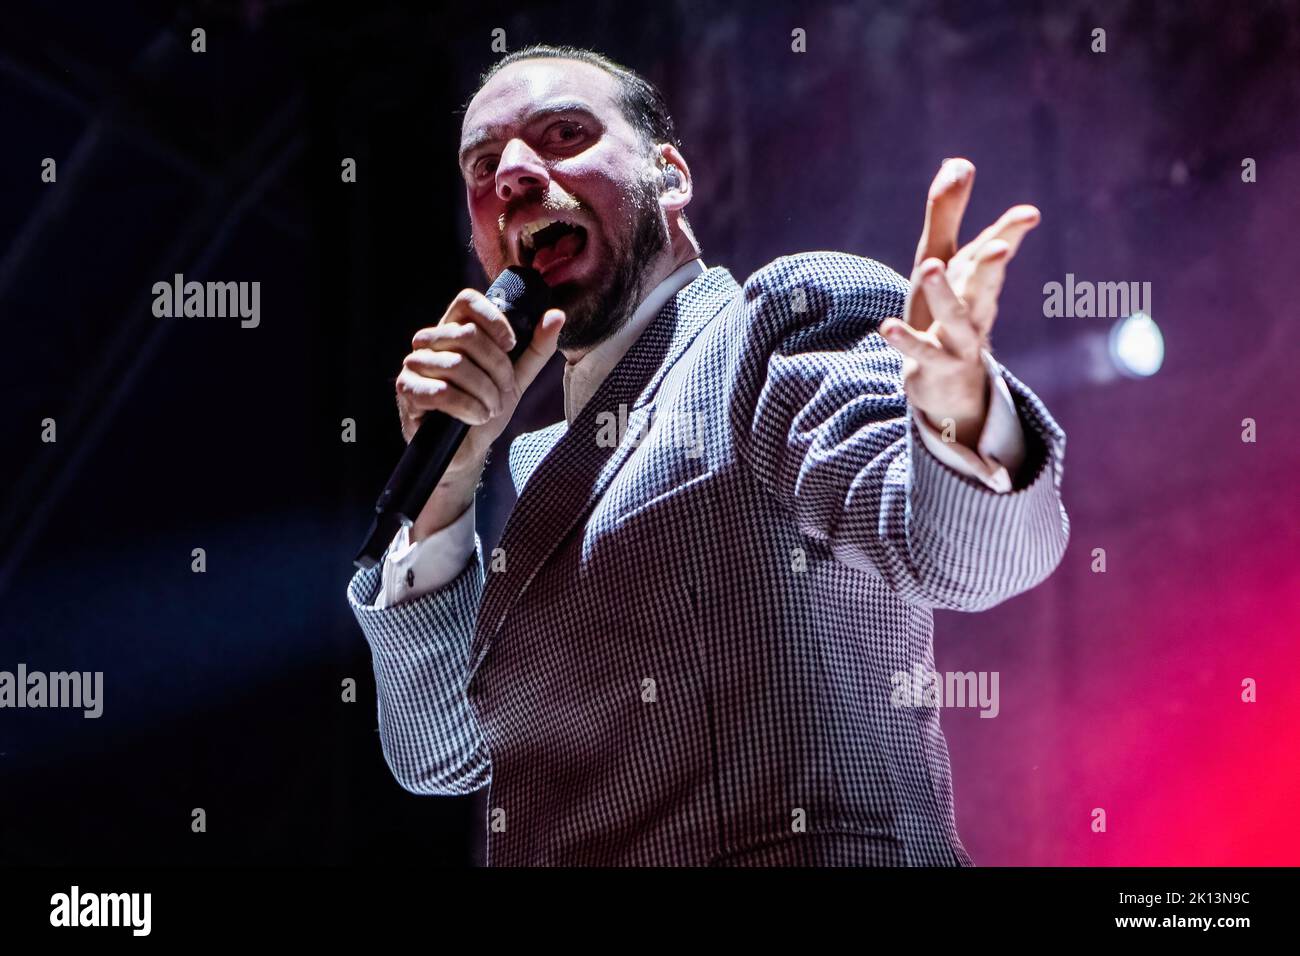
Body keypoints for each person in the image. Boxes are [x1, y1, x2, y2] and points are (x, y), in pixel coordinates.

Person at [347, 44, 1069, 865]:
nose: (512, 172)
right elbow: (441, 752)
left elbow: (964, 556)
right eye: (484, 164)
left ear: (671, 177)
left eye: (563, 133)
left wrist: (960, 417)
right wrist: (446, 487)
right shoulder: (535, 474)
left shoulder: (769, 330)